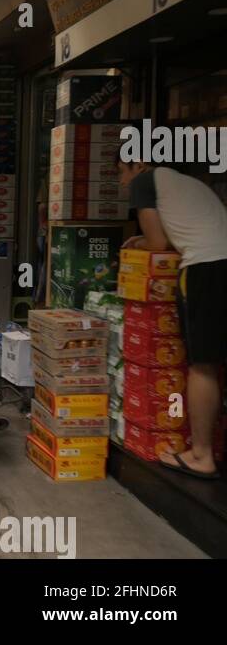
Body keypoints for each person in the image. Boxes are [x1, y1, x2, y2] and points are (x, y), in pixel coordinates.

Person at [118, 156, 227, 479]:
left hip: (207, 269)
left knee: (202, 364)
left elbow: (158, 243)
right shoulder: (186, 183)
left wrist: (136, 242)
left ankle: (202, 455)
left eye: (121, 174)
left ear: (137, 164)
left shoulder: (145, 181)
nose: (124, 184)